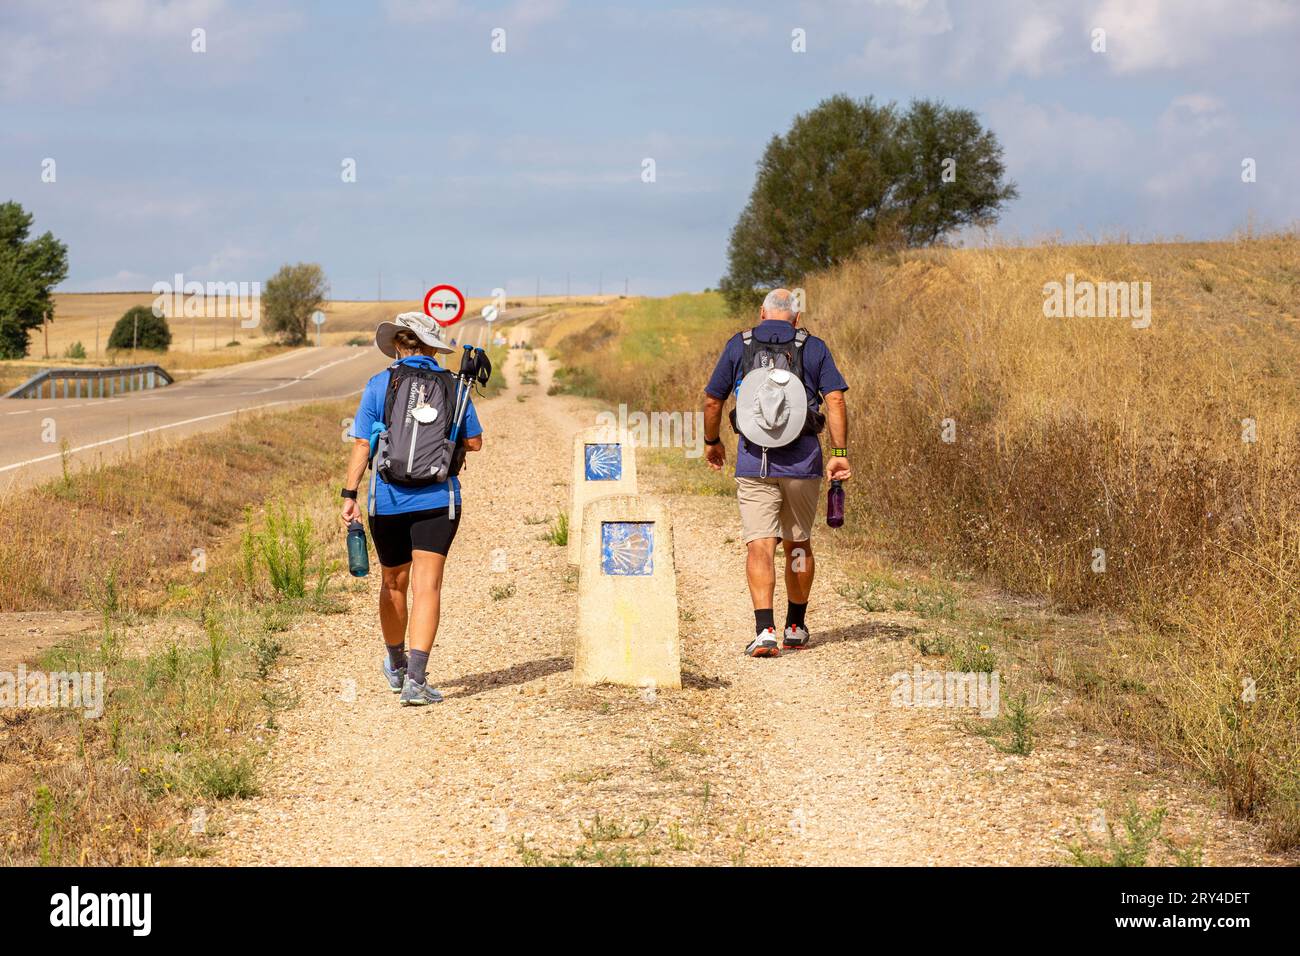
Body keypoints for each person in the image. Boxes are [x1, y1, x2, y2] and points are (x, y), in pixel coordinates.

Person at [340, 312, 483, 705]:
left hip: (386, 502)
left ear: (398, 346)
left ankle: (396, 665)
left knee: (393, 583)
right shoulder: (454, 387)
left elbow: (361, 445)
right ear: (432, 347)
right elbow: (474, 443)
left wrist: (348, 494)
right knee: (427, 586)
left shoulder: (378, 385)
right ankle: (417, 683)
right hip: (438, 500)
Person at [702, 288, 851, 657]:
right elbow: (835, 398)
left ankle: (764, 630)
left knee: (760, 545)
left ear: (761, 314)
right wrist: (840, 454)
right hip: (803, 464)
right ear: (796, 318)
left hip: (756, 463)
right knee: (798, 543)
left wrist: (712, 441)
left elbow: (713, 399)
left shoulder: (740, 345)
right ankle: (796, 626)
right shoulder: (813, 347)